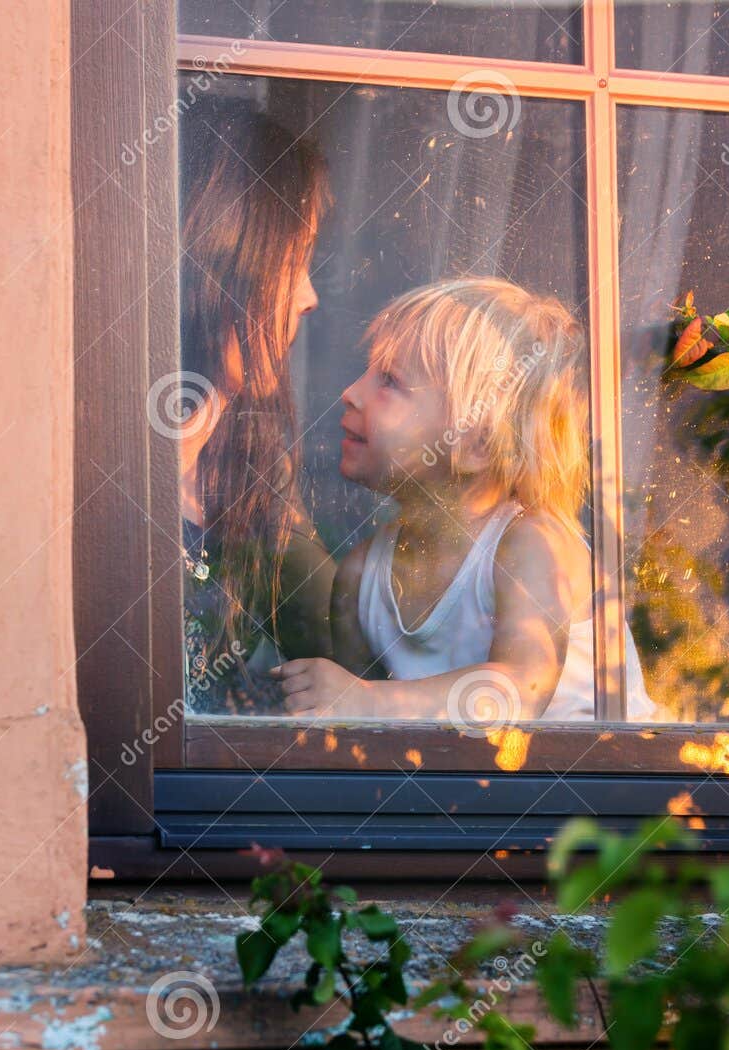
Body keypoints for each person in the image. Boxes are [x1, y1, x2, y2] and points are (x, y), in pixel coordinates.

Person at [271, 277, 657, 724]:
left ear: (477, 443)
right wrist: (349, 704)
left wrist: (367, 699)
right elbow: (368, 741)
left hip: (599, 788)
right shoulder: (359, 579)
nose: (351, 392)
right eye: (367, 371)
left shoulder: (530, 545)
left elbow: (521, 689)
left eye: (390, 381)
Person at [177, 96, 336, 714]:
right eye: (294, 262)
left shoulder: (244, 453)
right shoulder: (101, 450)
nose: (309, 295)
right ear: (221, 263)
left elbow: (331, 635)